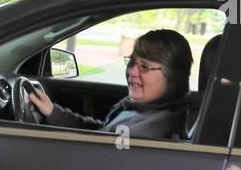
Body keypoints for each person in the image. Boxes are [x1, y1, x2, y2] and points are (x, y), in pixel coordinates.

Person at [29, 29, 194, 140]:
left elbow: (94, 150)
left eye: (144, 66)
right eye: (131, 62)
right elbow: (102, 132)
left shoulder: (147, 132)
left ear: (173, 76)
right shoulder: (145, 110)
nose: (132, 72)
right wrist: (52, 112)